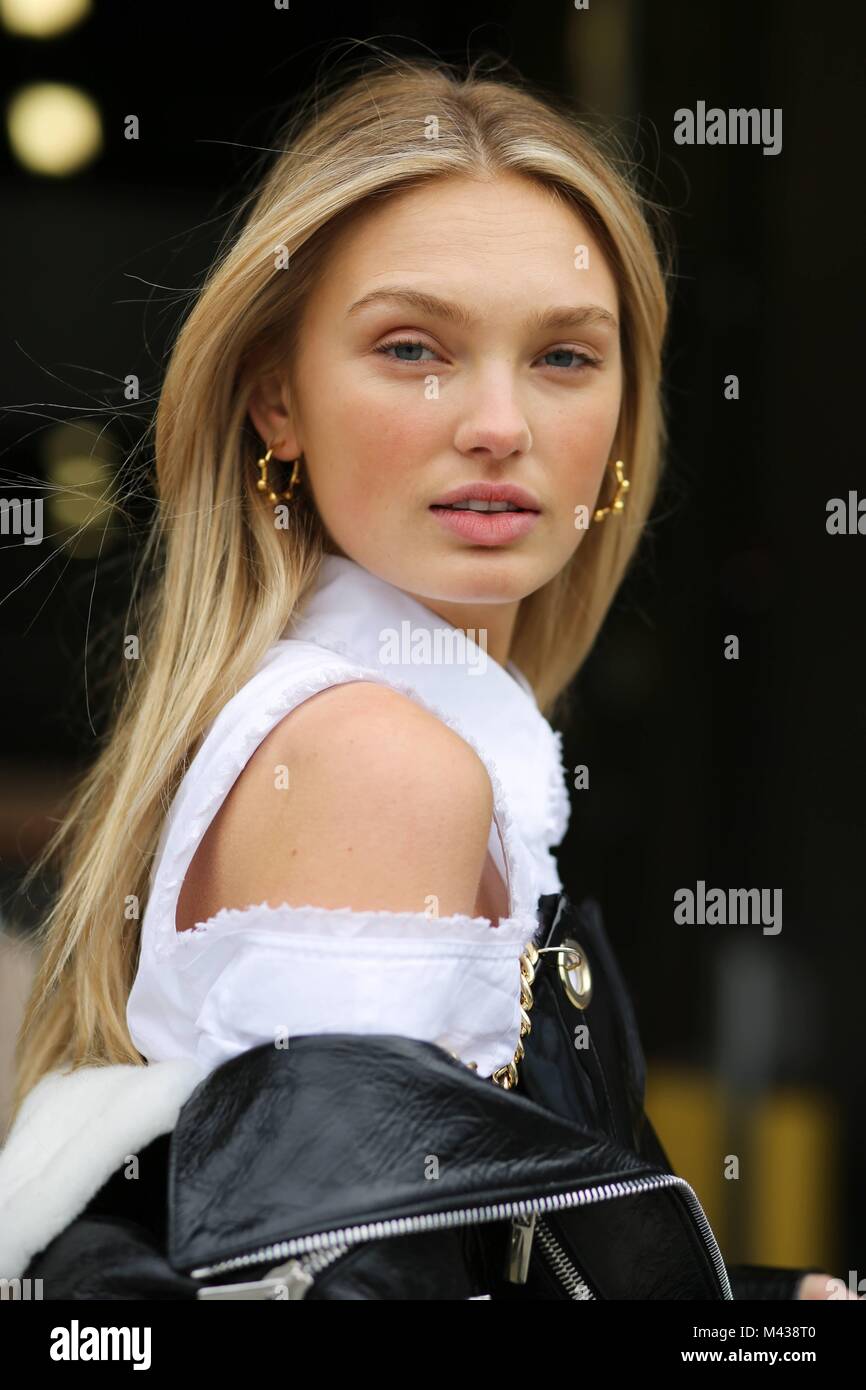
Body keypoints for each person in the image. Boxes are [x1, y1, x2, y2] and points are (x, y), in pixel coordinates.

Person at [1, 52, 851, 1301]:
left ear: (622, 417)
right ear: (275, 398)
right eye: (412, 347)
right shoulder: (377, 760)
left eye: (564, 357)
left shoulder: (379, 732)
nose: (497, 422)